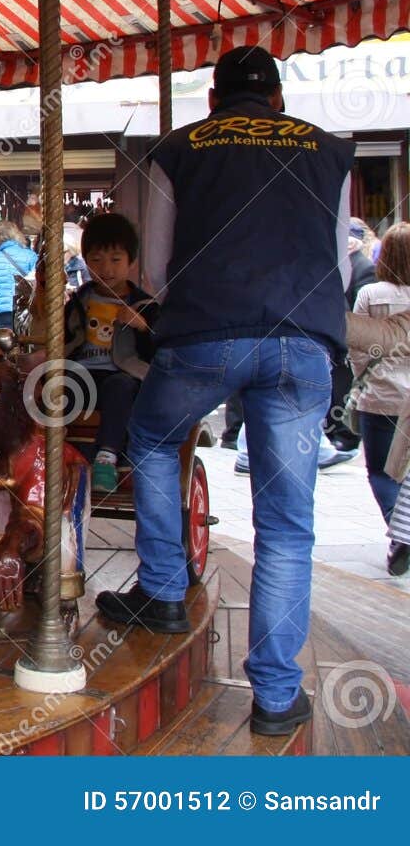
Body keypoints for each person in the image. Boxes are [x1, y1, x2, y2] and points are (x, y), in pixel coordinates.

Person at [106, 45, 352, 738]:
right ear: (278, 99)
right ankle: (274, 696)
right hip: (300, 340)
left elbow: (156, 270)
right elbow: (337, 267)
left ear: (213, 100)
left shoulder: (180, 148)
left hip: (204, 338)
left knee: (153, 437)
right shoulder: (328, 151)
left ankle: (162, 588)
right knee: (286, 525)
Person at [63, 213, 156, 492]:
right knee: (56, 385)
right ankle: (53, 450)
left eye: (115, 260)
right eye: (96, 259)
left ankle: (107, 457)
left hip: (122, 375)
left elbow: (157, 350)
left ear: (131, 261)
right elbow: (64, 339)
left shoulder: (145, 306)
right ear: (85, 261)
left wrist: (143, 327)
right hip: (83, 374)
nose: (106, 269)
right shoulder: (79, 301)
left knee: (121, 387)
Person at [349, 222, 410, 540]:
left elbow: (357, 348)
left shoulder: (370, 294)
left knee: (382, 473)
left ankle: (401, 535)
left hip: (380, 397)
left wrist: (365, 378)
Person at [326, 218, 379, 450]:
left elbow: (362, 308)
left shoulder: (364, 267)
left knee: (344, 390)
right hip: (337, 338)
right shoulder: (339, 263)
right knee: (336, 390)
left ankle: (345, 437)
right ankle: (337, 434)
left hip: (349, 340)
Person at [0, 221, 35, 328]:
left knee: (3, 338)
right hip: (25, 308)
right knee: (26, 337)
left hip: (2, 310)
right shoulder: (30, 255)